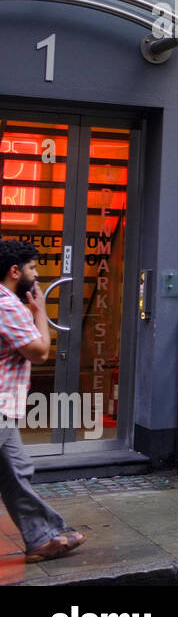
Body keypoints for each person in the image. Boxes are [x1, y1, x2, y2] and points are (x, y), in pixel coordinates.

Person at [0, 241, 85, 562]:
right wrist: (40, 312)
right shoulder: (6, 305)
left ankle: (40, 539)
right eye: (33, 268)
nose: (36, 276)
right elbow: (39, 352)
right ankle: (42, 536)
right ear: (14, 271)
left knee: (16, 471)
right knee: (16, 471)